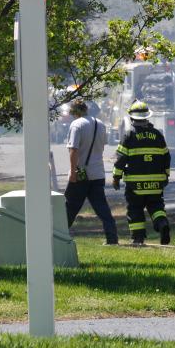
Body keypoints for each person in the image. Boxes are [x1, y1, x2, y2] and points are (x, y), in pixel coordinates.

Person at [112, 100, 171, 245]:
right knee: (156, 206)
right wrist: (166, 175)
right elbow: (166, 157)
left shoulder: (129, 135)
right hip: (156, 183)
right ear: (147, 117)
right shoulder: (158, 135)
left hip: (135, 185)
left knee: (135, 209)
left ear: (132, 118)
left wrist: (116, 177)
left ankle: (138, 238)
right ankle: (162, 224)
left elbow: (121, 159)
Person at [65, 98, 119, 245]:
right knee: (102, 209)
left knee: (69, 208)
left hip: (81, 174)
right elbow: (101, 147)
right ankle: (112, 238)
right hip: (98, 174)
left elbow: (74, 150)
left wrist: (72, 172)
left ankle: (60, 236)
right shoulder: (100, 124)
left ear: (75, 112)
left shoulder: (76, 125)